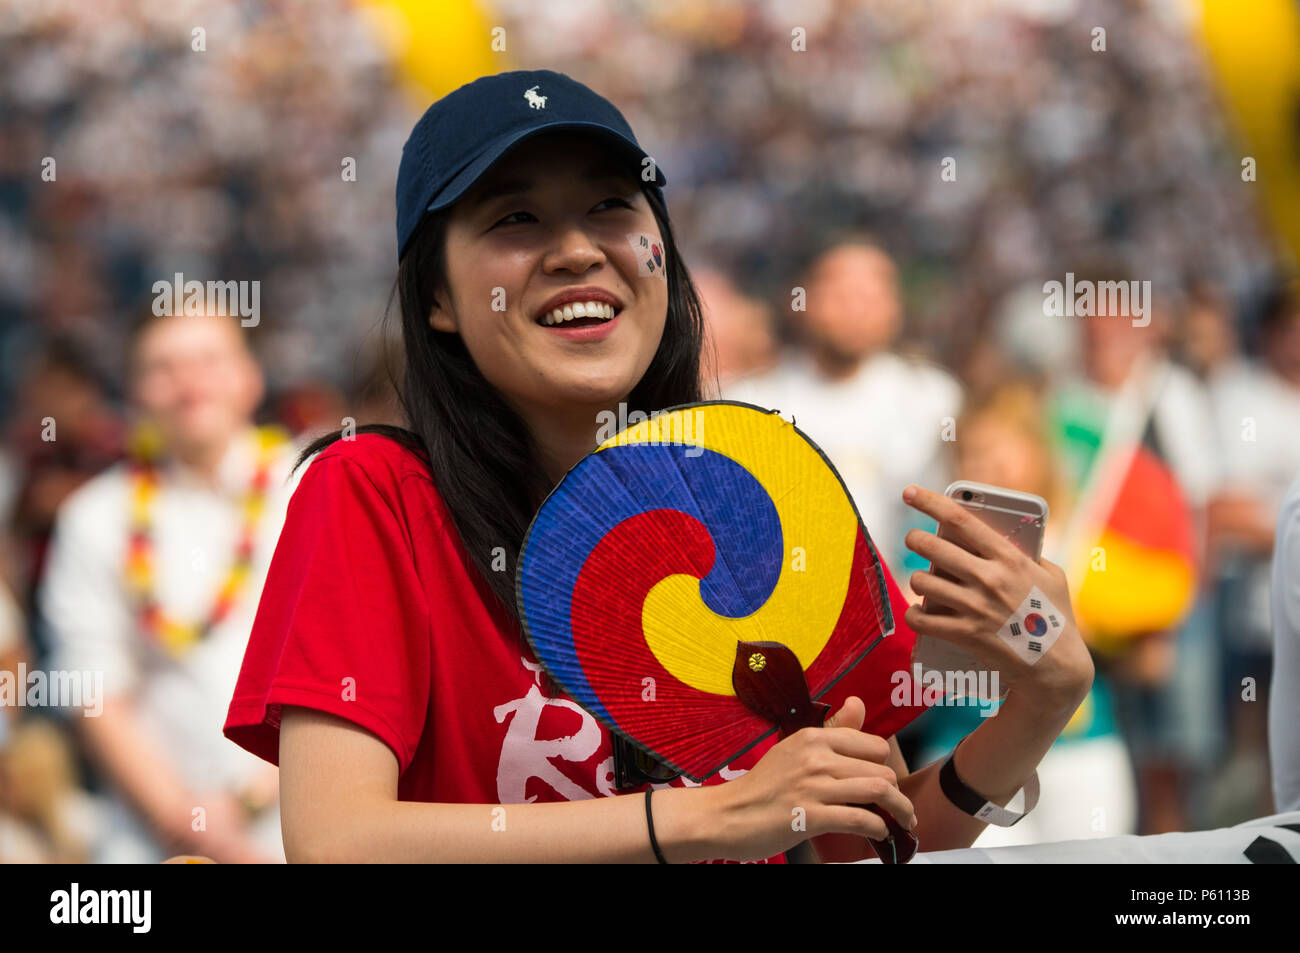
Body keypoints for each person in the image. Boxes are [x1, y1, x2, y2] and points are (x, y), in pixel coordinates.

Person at [223, 69, 1094, 864]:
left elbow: (860, 843)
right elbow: (337, 840)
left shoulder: (771, 490)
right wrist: (707, 816)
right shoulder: (372, 493)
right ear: (439, 300)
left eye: (612, 207)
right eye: (515, 219)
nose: (576, 250)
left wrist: (1033, 711)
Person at [39, 307, 297, 863]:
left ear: (251, 376)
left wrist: (247, 814)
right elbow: (94, 691)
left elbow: (351, 666)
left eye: (209, 359)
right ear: (135, 391)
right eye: (164, 367)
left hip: (303, 828)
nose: (190, 383)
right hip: (150, 842)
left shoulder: (313, 488)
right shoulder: (93, 516)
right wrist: (196, 830)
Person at [724, 233, 963, 575]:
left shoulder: (936, 399)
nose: (855, 309)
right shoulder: (749, 403)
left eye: (870, 295)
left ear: (895, 307)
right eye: (840, 293)